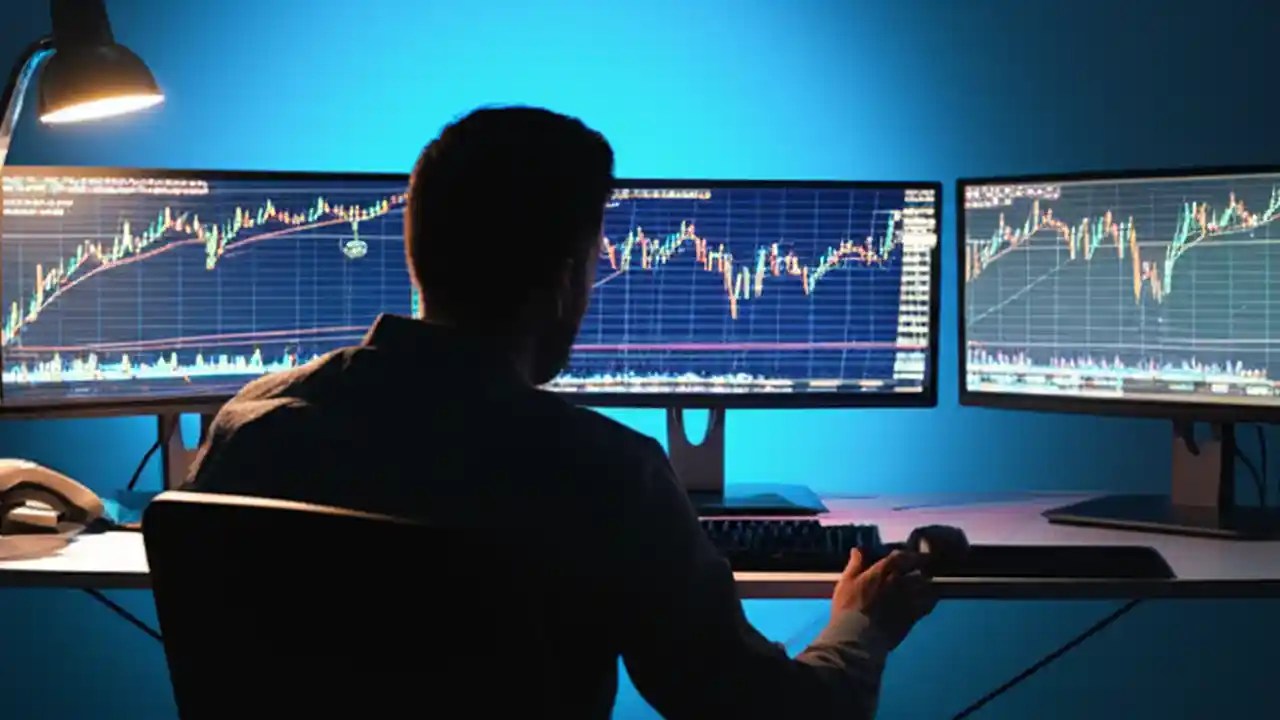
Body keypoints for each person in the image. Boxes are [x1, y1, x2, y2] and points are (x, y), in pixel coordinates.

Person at [185, 105, 935, 718]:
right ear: (564, 280)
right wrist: (859, 626)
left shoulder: (250, 428)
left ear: (419, 253)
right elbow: (766, 716)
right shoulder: (606, 475)